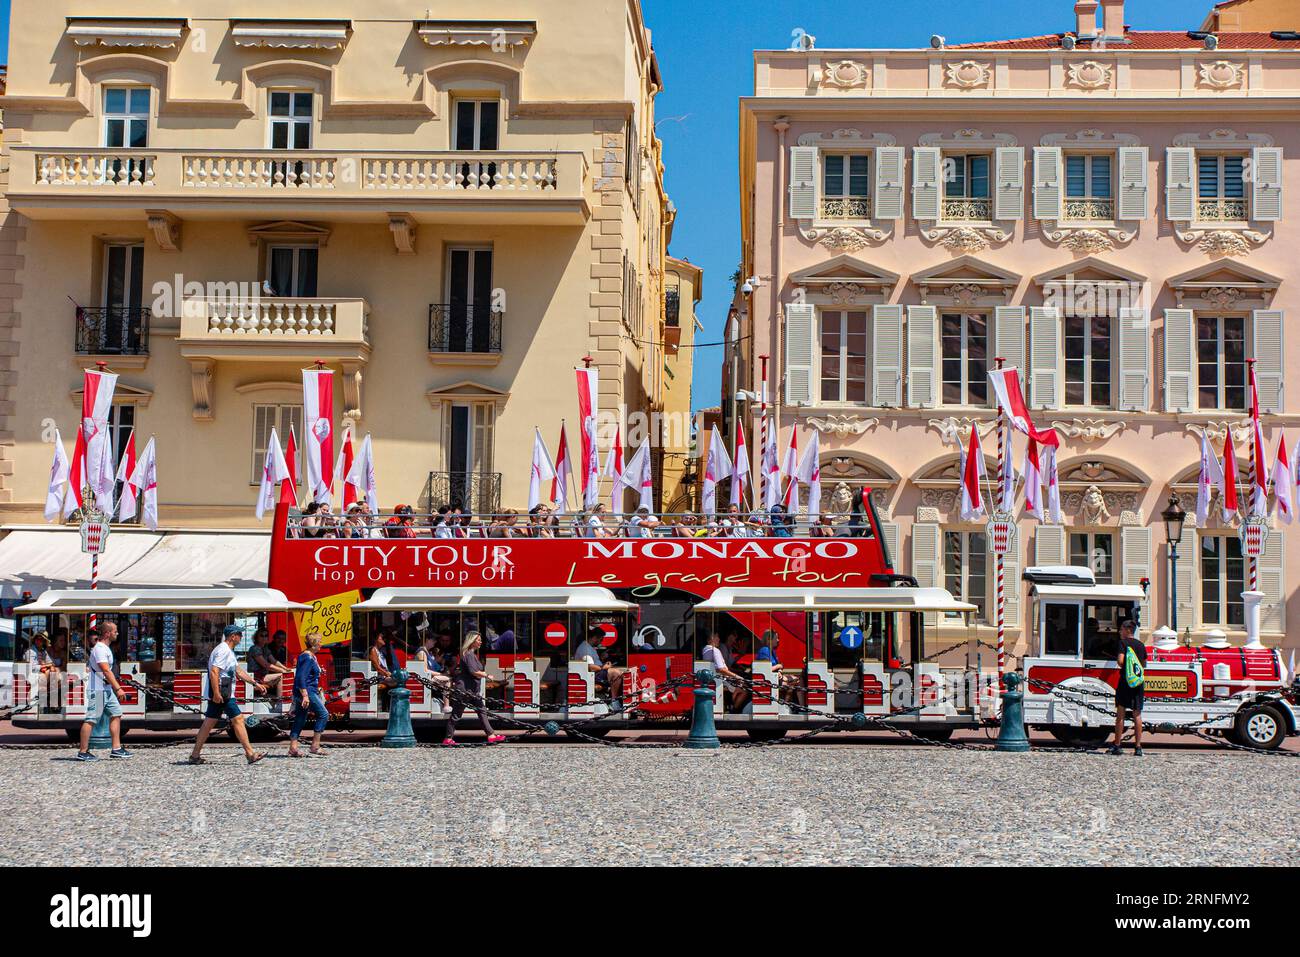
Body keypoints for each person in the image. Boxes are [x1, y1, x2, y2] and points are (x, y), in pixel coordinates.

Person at [188, 625, 268, 765]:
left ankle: (195, 755)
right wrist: (217, 693)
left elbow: (238, 671)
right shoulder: (223, 651)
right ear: (232, 636)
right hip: (222, 693)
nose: (241, 637)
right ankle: (250, 754)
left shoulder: (228, 651)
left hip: (222, 692)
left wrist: (255, 683)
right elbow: (214, 672)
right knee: (238, 719)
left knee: (208, 724)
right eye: (239, 635)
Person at [75, 623, 131, 761]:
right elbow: (106, 670)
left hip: (106, 690)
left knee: (116, 714)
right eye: (115, 631)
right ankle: (83, 751)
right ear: (107, 633)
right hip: (98, 690)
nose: (117, 634)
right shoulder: (100, 649)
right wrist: (118, 688)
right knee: (91, 720)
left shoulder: (105, 648)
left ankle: (116, 749)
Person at [443, 632, 505, 746]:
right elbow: (473, 671)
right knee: (457, 714)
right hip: (465, 690)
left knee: (482, 711)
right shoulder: (469, 654)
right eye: (478, 640)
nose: (481, 642)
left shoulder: (469, 654)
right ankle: (448, 738)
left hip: (471, 690)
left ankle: (491, 735)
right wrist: (486, 675)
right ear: (472, 641)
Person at [1109, 619, 1146, 757]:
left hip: (1125, 681)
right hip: (1138, 683)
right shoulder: (1141, 645)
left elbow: (1120, 661)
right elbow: (1144, 664)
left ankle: (1117, 745)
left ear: (1128, 630)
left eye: (1121, 629)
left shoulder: (1123, 643)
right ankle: (1138, 747)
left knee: (1121, 713)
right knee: (1137, 714)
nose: (1120, 632)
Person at [288, 632, 329, 757]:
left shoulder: (309, 656)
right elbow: (301, 677)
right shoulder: (308, 657)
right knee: (323, 714)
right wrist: (305, 695)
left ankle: (293, 747)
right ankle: (315, 745)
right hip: (308, 691)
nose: (321, 644)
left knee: (300, 717)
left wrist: (319, 671)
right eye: (320, 642)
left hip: (305, 690)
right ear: (314, 644)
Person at [575, 626, 626, 705]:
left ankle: (614, 699)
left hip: (597, 673)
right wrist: (603, 667)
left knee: (619, 672)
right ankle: (614, 701)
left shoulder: (589, 647)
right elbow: (590, 667)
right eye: (601, 639)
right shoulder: (585, 649)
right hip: (591, 676)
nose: (601, 641)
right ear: (595, 637)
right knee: (616, 673)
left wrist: (602, 659)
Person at [701, 631, 746, 710]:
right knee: (744, 690)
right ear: (710, 639)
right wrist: (737, 677)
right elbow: (721, 669)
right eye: (716, 637)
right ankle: (734, 711)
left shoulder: (705, 649)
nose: (718, 639)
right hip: (721, 681)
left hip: (715, 680)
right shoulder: (714, 650)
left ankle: (730, 706)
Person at [247, 629, 291, 699]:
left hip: (263, 676)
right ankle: (280, 700)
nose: (264, 637)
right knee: (282, 675)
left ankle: (282, 699)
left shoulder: (265, 649)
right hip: (255, 677)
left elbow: (274, 661)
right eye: (261, 636)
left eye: (266, 636)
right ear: (256, 638)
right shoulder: (255, 648)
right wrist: (282, 670)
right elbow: (266, 665)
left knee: (284, 675)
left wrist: (285, 669)